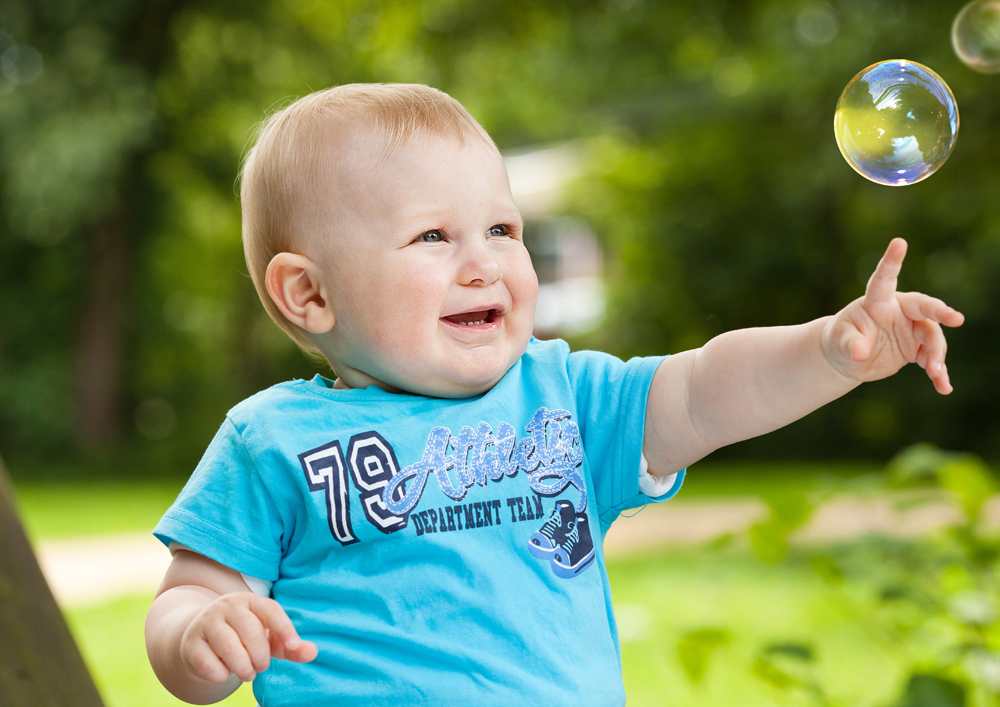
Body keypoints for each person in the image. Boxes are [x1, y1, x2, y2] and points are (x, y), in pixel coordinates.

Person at [144, 83, 964, 706]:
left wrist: (829, 350)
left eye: (503, 229)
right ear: (310, 294)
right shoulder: (272, 438)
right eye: (434, 236)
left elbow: (708, 388)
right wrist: (201, 634)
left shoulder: (560, 396)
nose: (485, 261)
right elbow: (193, 590)